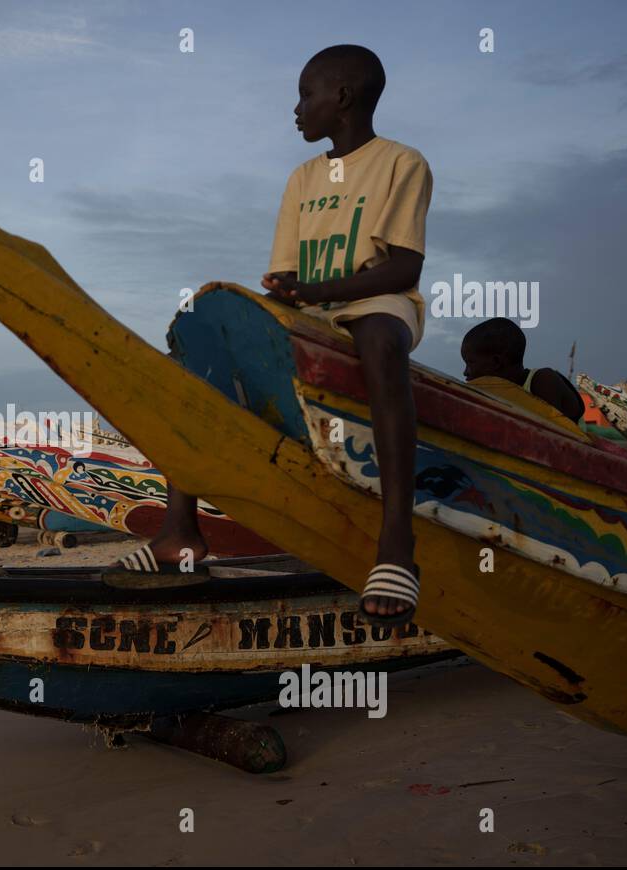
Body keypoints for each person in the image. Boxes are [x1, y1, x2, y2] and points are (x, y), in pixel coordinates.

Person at [112, 45, 432, 628]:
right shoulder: (303, 177)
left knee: (382, 342)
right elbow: (290, 274)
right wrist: (290, 290)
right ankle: (180, 530)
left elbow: (404, 269)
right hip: (313, 309)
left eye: (306, 94)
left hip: (376, 301)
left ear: (342, 97)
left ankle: (396, 544)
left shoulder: (401, 162)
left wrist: (315, 290)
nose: (296, 107)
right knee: (200, 343)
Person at [461, 318, 584, 422]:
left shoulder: (543, 380)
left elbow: (549, 430)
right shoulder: (498, 393)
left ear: (496, 362)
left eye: (470, 363)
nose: (465, 372)